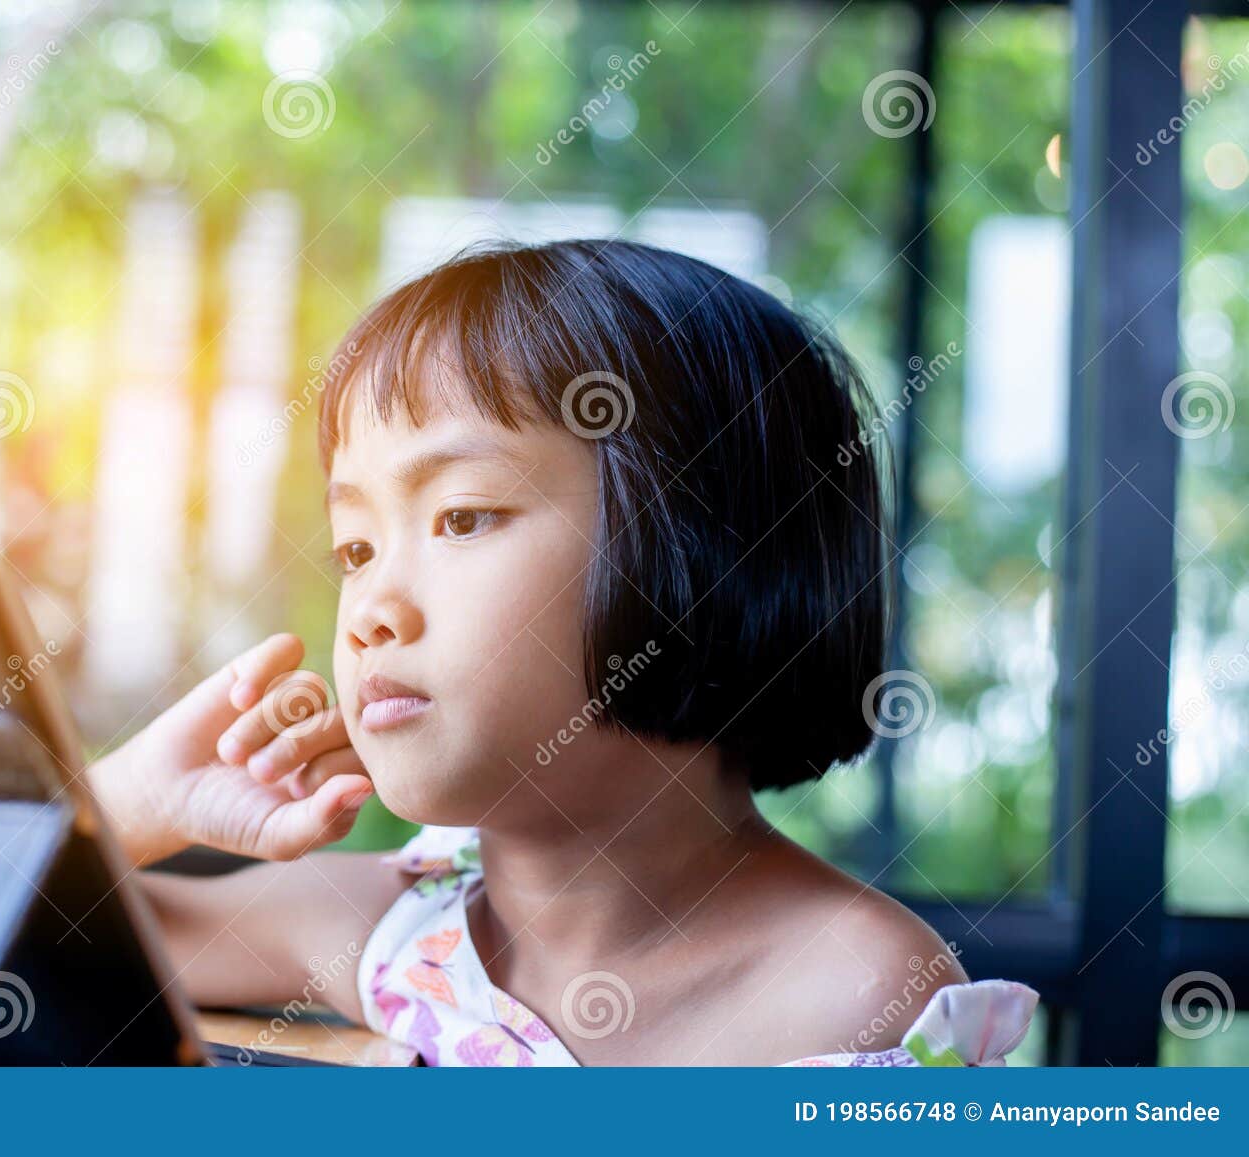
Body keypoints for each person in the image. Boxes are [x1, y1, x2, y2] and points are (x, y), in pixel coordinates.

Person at [87, 239, 1038, 1066]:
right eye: (356, 548)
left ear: (701, 547)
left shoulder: (860, 993)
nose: (370, 607)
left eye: (461, 516)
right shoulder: (397, 928)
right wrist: (126, 802)